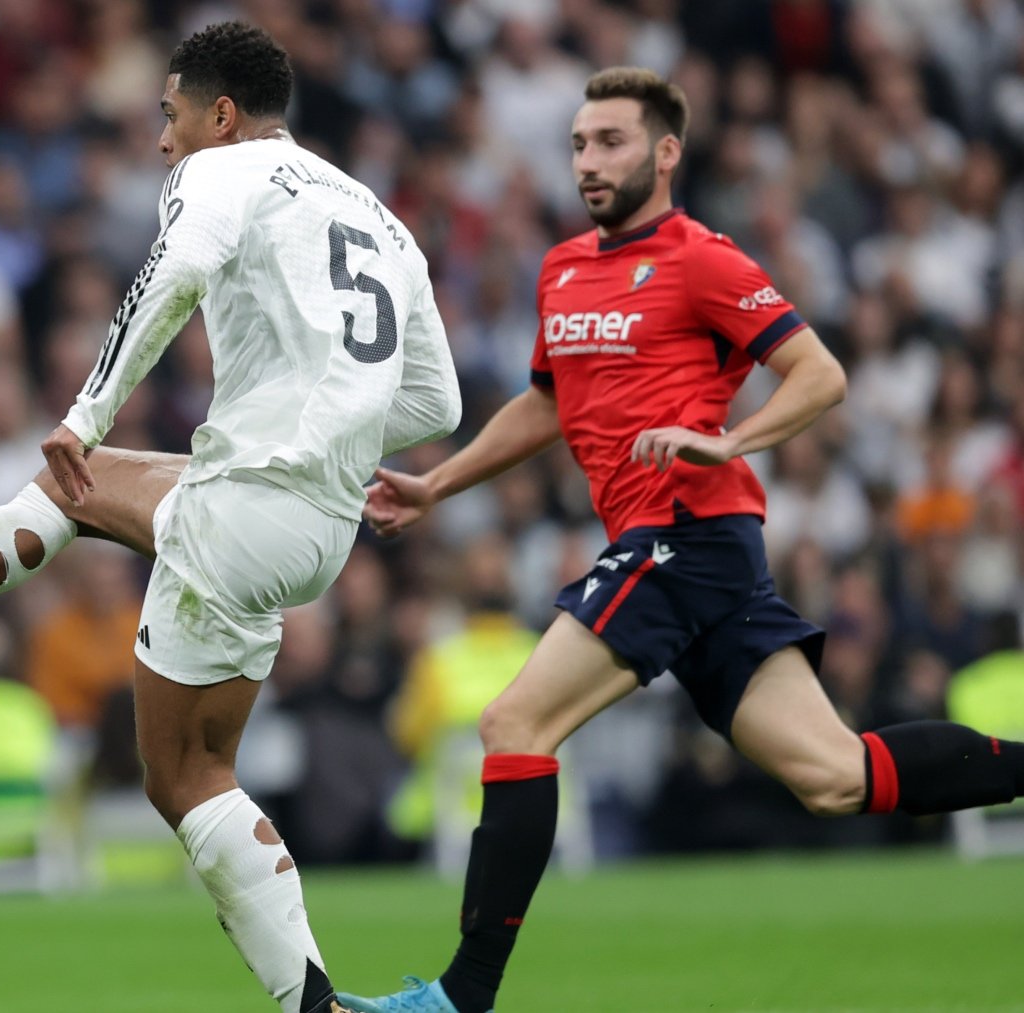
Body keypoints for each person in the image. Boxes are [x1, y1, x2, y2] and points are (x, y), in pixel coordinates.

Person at [0, 21, 460, 1013]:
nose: (161, 139)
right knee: (90, 518)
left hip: (246, 504)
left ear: (220, 114)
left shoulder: (223, 172)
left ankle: (317, 1007)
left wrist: (85, 413)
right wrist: (328, 422)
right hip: (319, 523)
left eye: (170, 115)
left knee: (182, 773)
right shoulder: (378, 215)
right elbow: (437, 406)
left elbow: (167, 279)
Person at [339, 68, 1024, 1013]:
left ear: (665, 152)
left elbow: (818, 375)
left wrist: (728, 438)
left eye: (611, 141)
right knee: (835, 777)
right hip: (689, 550)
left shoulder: (704, 259)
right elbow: (549, 400)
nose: (589, 160)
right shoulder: (562, 268)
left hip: (685, 533)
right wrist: (439, 483)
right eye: (579, 143)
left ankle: (460, 999)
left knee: (513, 725)